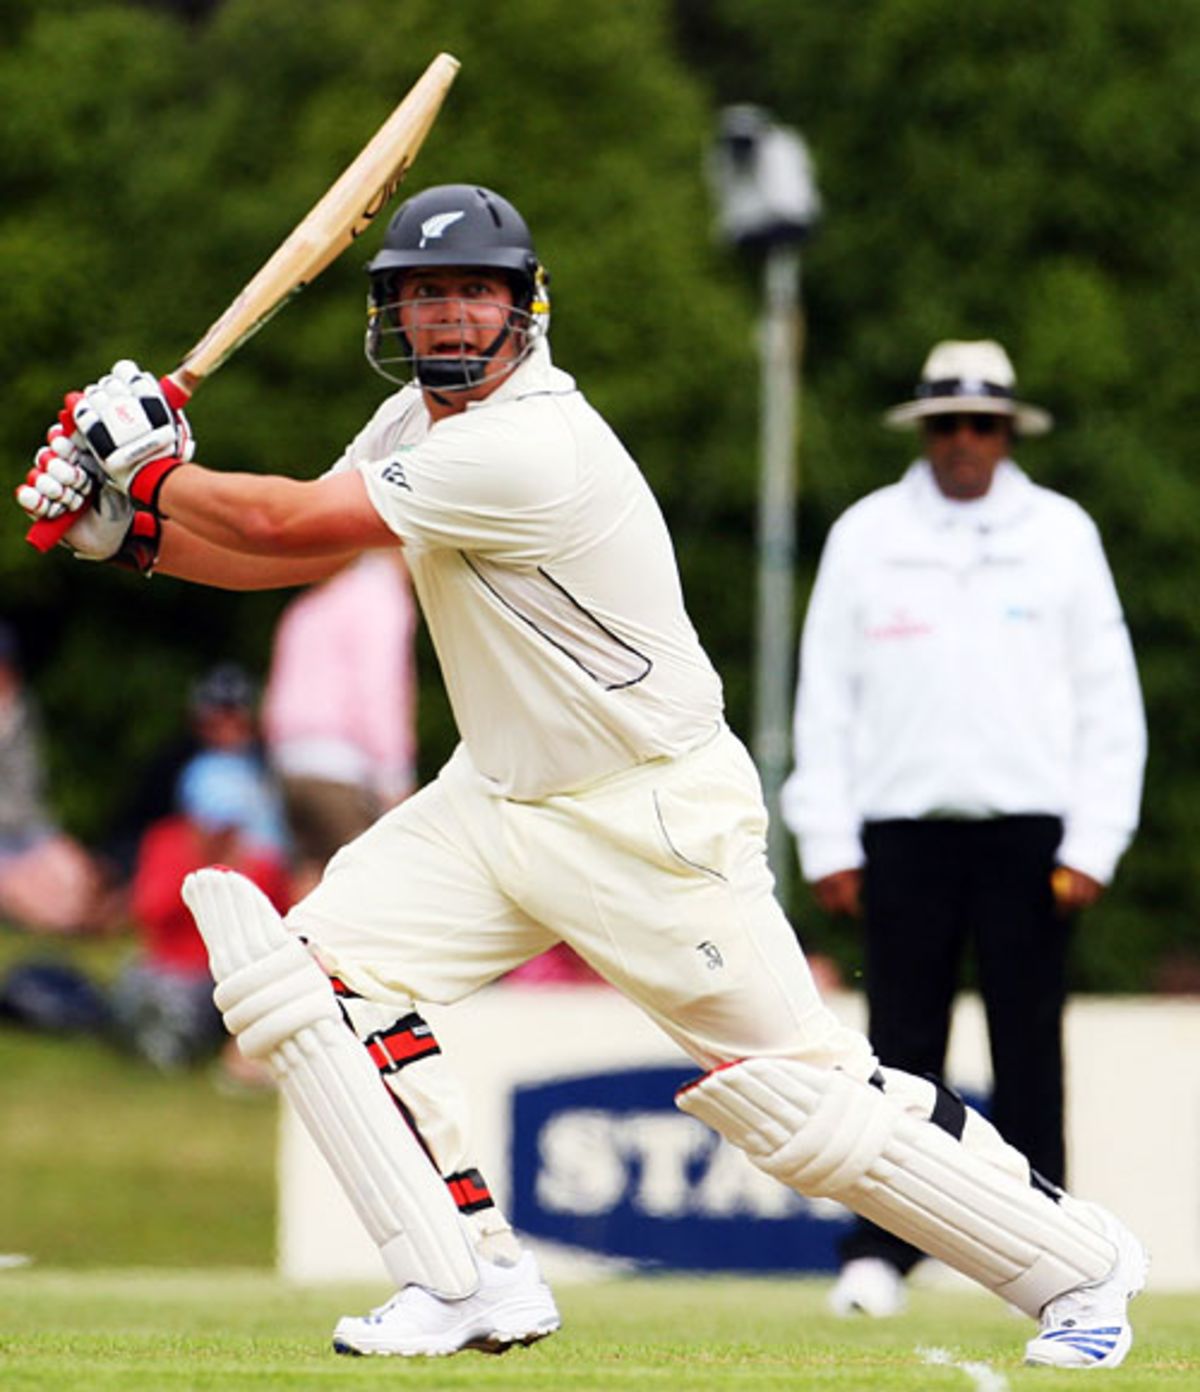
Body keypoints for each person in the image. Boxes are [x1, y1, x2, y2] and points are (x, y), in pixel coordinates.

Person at [17, 188, 1147, 1370]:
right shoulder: (415, 421)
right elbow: (285, 549)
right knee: (302, 985)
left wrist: (141, 462)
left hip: (644, 812)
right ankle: (468, 1278)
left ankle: (1080, 1267)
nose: (447, 317)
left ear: (524, 307)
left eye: (473, 293)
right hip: (495, 799)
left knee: (805, 1106)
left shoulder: (530, 444)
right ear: (392, 309)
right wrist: (127, 528)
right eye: (423, 293)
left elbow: (284, 517)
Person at [781, 339, 1147, 1319]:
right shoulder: (868, 534)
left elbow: (1109, 700)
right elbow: (826, 698)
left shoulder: (1061, 534)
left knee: (1031, 1050)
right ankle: (879, 1252)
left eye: (981, 425)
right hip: (900, 830)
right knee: (897, 1053)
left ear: (1006, 432)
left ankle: (1054, 1255)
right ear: (927, 431)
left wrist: (1094, 840)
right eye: (948, 424)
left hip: (1033, 834)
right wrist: (827, 837)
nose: (964, 443)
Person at [110, 748, 292, 1070]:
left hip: (218, 980)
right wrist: (197, 869)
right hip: (165, 969)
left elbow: (278, 930)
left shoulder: (261, 862)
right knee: (135, 981)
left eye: (228, 825)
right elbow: (148, 911)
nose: (219, 833)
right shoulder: (166, 842)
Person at [261, 552, 418, 897]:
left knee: (310, 879)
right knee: (367, 889)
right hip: (342, 766)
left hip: (290, 762)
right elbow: (379, 687)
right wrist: (395, 774)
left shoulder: (312, 603)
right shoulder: (381, 597)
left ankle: (294, 953)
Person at [0, 619, 117, 933]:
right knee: (38, 899)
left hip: (31, 829)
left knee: (78, 874)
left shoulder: (22, 710)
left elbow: (30, 792)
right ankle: (77, 922)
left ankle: (91, 914)